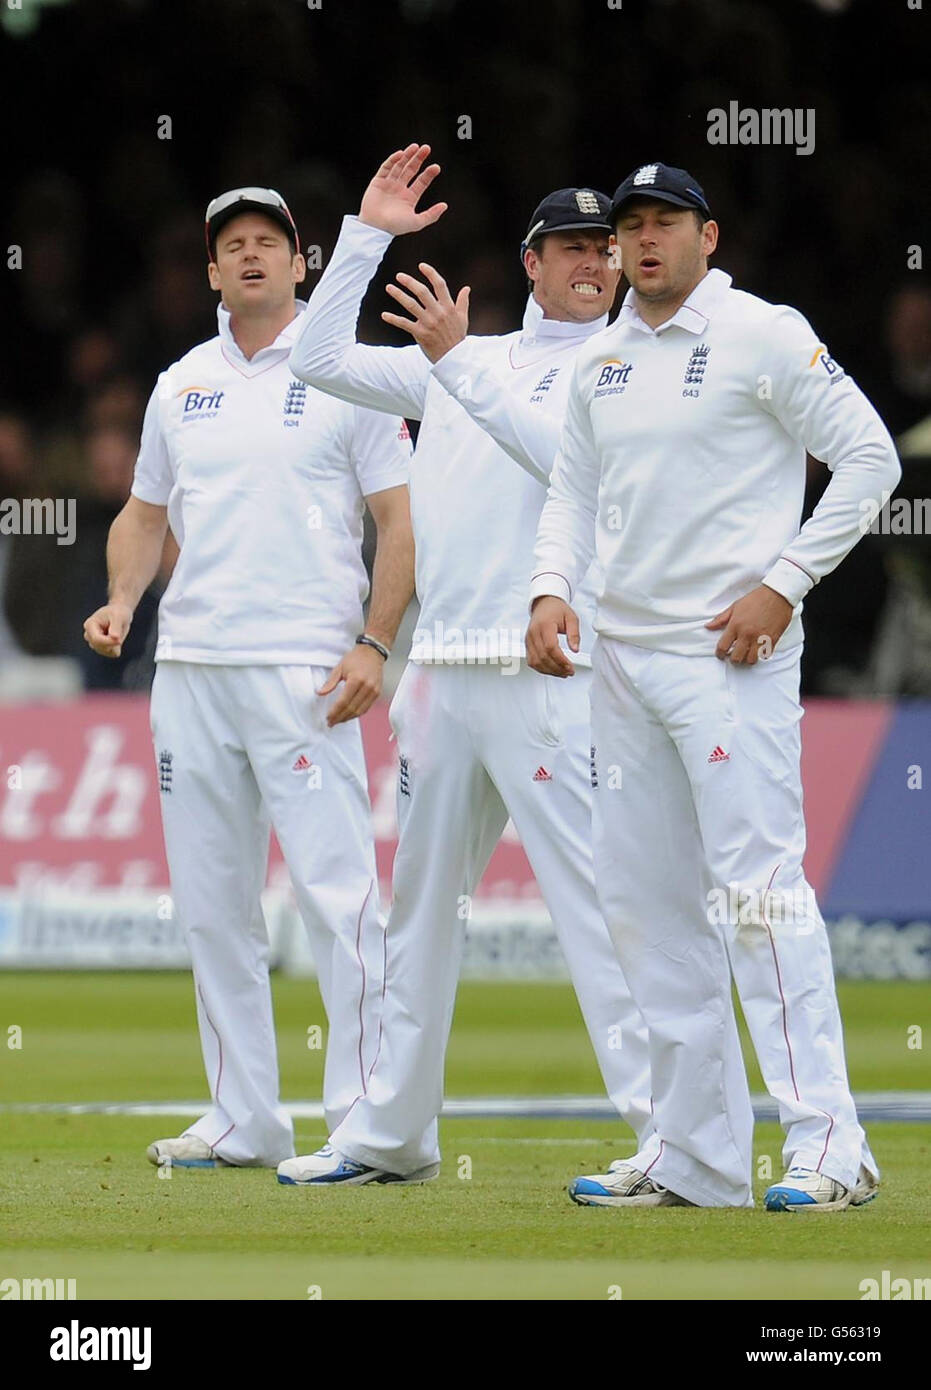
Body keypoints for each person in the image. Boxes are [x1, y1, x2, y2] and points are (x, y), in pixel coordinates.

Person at [277, 144, 653, 1186]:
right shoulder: (465, 353)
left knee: (598, 904)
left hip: (547, 671)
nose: (598, 265)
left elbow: (566, 460)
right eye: (576, 248)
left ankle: (668, 1131)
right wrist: (364, 238)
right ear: (531, 261)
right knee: (415, 912)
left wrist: (455, 364)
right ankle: (391, 1133)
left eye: (609, 249)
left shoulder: (618, 366)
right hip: (440, 672)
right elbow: (314, 358)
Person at [527, 162, 900, 1211]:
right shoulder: (602, 359)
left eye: (662, 224)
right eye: (626, 228)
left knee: (757, 894)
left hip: (729, 659)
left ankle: (833, 1145)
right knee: (645, 908)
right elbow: (569, 489)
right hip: (621, 662)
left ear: (707, 235)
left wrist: (781, 586)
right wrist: (550, 587)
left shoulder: (765, 334)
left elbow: (869, 460)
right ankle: (693, 1153)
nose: (640, 242)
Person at [83, 187, 413, 1169]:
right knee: (214, 903)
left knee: (337, 896)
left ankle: (363, 1120)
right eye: (235, 245)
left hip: (305, 666)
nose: (254, 255)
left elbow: (399, 520)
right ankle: (244, 1115)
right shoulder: (181, 383)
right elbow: (146, 515)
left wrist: (374, 641)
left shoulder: (344, 373)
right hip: (190, 668)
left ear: (301, 263)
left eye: (271, 240)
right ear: (215, 273)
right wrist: (122, 600)